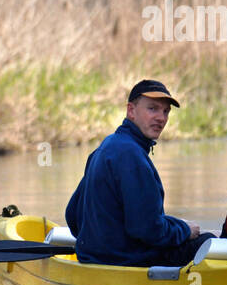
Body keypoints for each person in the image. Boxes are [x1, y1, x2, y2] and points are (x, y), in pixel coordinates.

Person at [66, 79, 213, 266]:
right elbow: (147, 229)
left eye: (165, 111)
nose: (161, 118)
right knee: (209, 242)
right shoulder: (132, 156)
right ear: (131, 111)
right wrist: (184, 230)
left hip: (94, 260)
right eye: (152, 108)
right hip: (128, 263)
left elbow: (72, 215)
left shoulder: (105, 147)